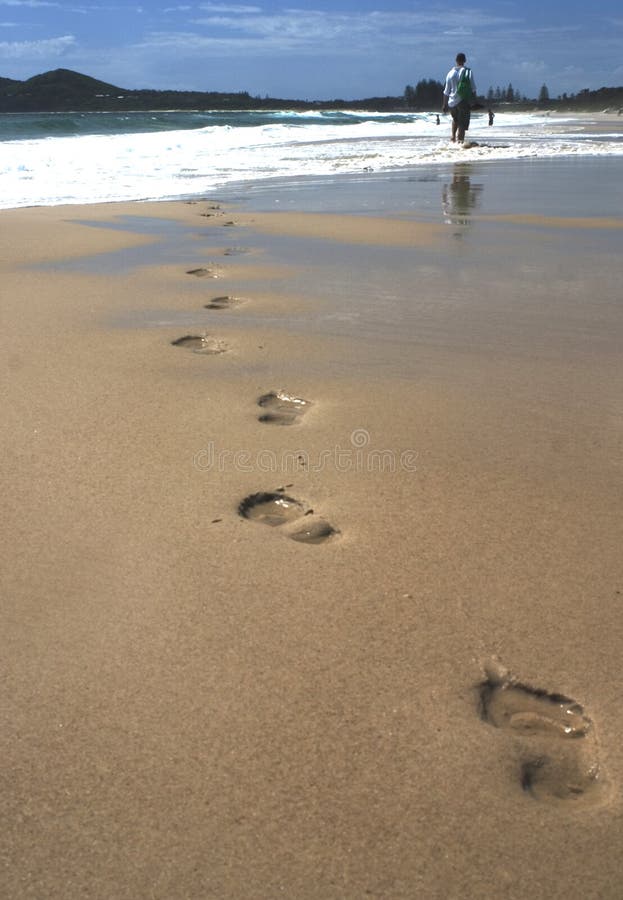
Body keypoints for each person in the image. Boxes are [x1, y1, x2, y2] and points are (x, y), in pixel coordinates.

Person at [442, 52, 477, 143]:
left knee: (455, 119)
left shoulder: (450, 73)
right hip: (463, 101)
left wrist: (444, 104)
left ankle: (453, 137)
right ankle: (460, 143)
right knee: (462, 123)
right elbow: (473, 88)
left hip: (452, 103)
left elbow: (446, 91)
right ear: (465, 60)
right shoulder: (467, 72)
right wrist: (474, 101)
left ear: (456, 60)